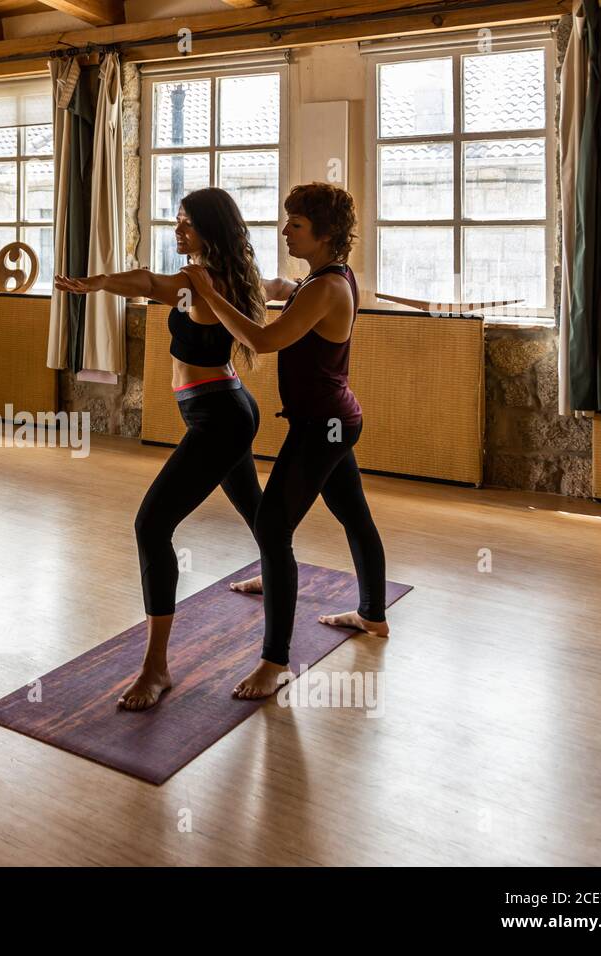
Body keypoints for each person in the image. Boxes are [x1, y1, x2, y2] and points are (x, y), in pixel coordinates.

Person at [54, 187, 266, 710]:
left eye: (186, 223)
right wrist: (103, 283)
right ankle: (279, 570)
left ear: (209, 230)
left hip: (219, 417)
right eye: (177, 221)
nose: (177, 231)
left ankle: (156, 667)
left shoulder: (200, 280)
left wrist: (100, 283)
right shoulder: (221, 276)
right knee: (258, 511)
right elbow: (150, 280)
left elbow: (149, 281)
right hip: (224, 407)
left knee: (151, 525)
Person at [181, 182, 389, 700]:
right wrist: (244, 278)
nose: (284, 230)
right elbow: (278, 287)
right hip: (333, 419)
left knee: (274, 528)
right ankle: (372, 616)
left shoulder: (326, 288)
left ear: (324, 233)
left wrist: (208, 294)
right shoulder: (318, 278)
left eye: (295, 224)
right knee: (353, 516)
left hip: (323, 425)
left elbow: (263, 340)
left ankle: (275, 662)